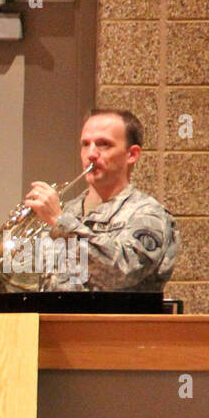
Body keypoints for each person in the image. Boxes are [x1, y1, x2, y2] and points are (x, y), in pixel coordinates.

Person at [24, 109, 177, 292]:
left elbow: (122, 272)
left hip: (115, 321)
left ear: (132, 154)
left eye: (103, 144)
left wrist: (60, 222)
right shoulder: (68, 211)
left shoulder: (149, 214)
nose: (91, 154)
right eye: (85, 144)